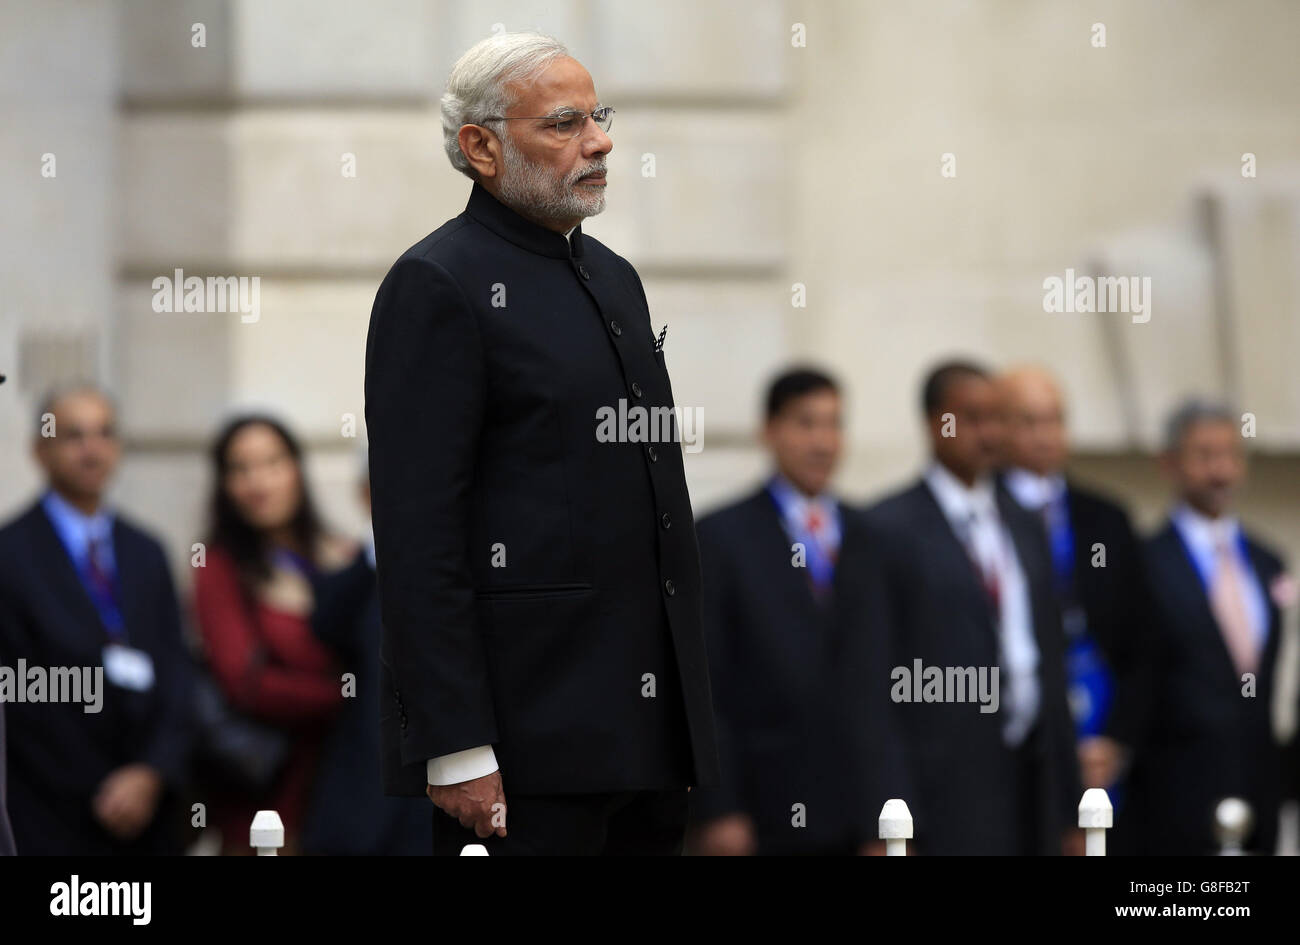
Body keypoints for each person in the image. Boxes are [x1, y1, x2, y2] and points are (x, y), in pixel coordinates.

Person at [364, 30, 719, 855]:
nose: (599, 142)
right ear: (481, 147)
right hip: (525, 744)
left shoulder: (616, 276)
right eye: (563, 124)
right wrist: (455, 745)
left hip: (649, 735)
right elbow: (420, 538)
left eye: (598, 117)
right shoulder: (437, 283)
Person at [864, 361, 1080, 855]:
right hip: (939, 793)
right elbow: (868, 688)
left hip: (1032, 784)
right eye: (970, 417)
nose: (988, 433)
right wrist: (884, 821)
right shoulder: (886, 529)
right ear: (933, 422)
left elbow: (1050, 667)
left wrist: (1069, 809)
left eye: (997, 418)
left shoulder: (1025, 523)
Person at [689, 368, 903, 855]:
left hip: (862, 812)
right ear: (769, 430)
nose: (823, 442)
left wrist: (891, 814)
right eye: (806, 423)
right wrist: (720, 809)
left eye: (834, 425)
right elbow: (706, 686)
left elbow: (890, 688)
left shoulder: (873, 537)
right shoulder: (721, 538)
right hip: (764, 813)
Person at [0, 384, 193, 854]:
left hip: (148, 819)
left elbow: (177, 674)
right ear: (39, 451)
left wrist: (150, 773)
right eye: (74, 436)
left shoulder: (145, 551)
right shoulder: (9, 554)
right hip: (49, 817)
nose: (92, 450)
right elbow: (18, 689)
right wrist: (103, 789)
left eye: (104, 434)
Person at [1125, 400, 1296, 854]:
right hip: (1172, 795)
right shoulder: (1142, 562)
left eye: (1230, 454)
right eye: (1204, 455)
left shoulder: (1268, 561)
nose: (1220, 470)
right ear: (1170, 463)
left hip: (1258, 785)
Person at [192, 414, 353, 855]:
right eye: (240, 469)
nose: (257, 481)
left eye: (271, 463)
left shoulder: (343, 554)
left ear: (296, 468)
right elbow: (247, 683)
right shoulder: (218, 566)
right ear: (224, 484)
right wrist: (347, 698)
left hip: (351, 783)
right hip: (269, 787)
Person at [996, 366, 1155, 797]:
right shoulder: (983, 512)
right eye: (1028, 421)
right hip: (1012, 754)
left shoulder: (1106, 518)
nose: (1044, 434)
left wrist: (1117, 740)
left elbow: (1141, 643)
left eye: (1055, 419)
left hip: (1100, 736)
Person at [299, 450, 429, 855]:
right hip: (361, 809)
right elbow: (325, 625)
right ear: (365, 494)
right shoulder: (351, 581)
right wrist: (379, 551)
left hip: (440, 809)